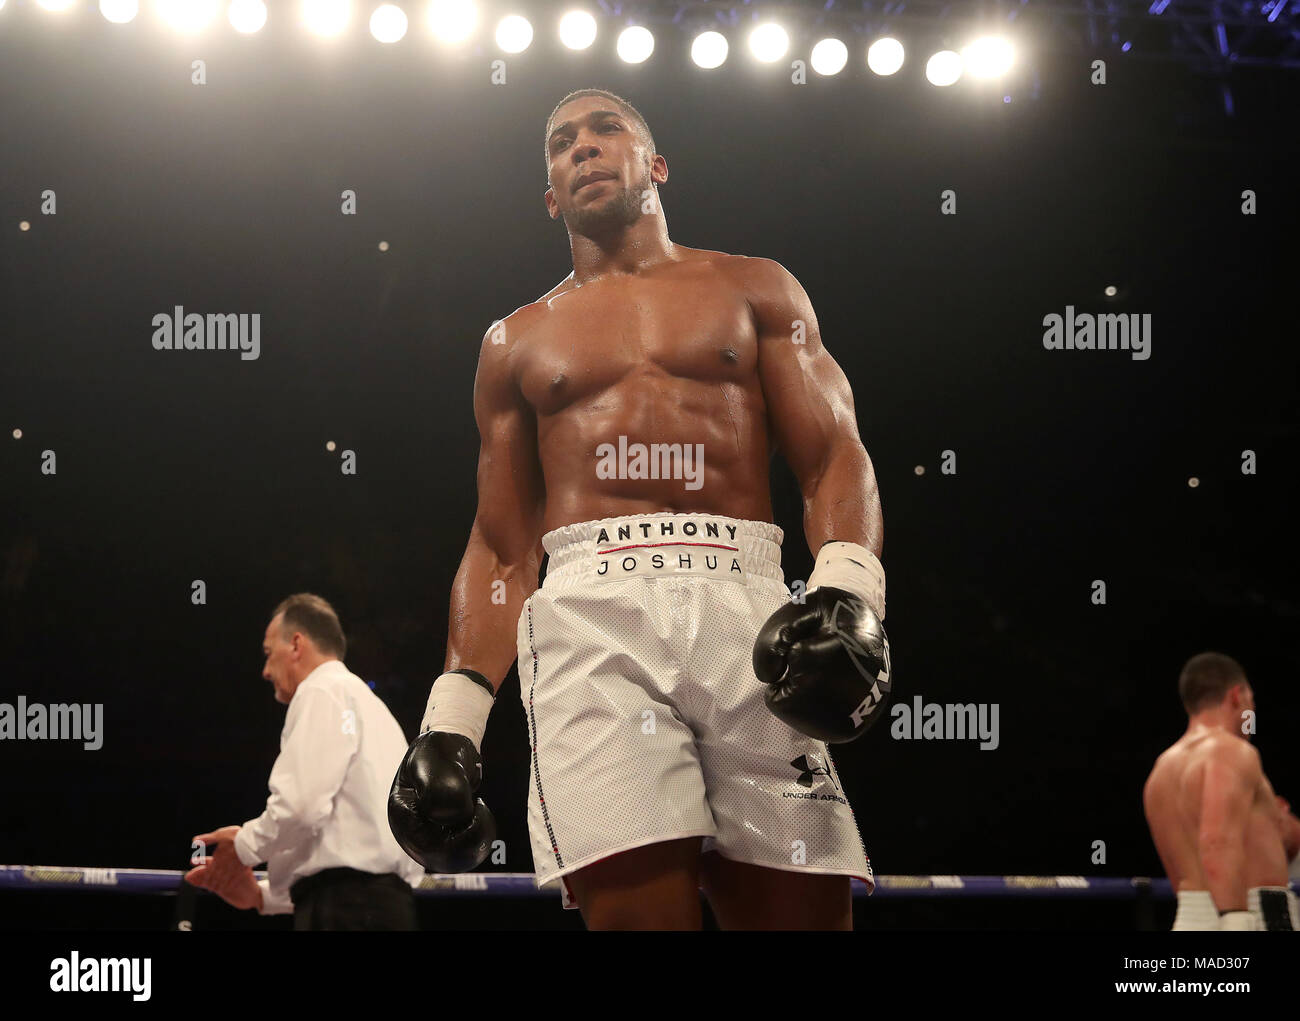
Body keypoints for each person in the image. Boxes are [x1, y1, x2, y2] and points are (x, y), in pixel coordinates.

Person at [389, 88, 891, 930]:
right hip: (591, 615)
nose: (582, 147)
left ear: (656, 165)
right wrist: (454, 721)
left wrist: (847, 590)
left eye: (605, 129)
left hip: (746, 607)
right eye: (561, 142)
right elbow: (503, 544)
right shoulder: (514, 340)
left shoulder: (756, 286)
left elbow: (834, 452)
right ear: (551, 197)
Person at [187, 593, 424, 930]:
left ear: (296, 645)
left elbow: (301, 808)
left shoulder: (320, 690)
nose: (265, 671)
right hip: (386, 908)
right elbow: (354, 856)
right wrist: (262, 897)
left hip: (346, 913)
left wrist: (242, 846)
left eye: (269, 653)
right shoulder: (374, 709)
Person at [1144, 652, 1298, 931]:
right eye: (1251, 701)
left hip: (1190, 916)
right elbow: (1217, 843)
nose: (1252, 712)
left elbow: (1178, 868)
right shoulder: (1232, 751)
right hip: (1248, 913)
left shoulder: (1160, 771)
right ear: (1237, 695)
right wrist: (1235, 917)